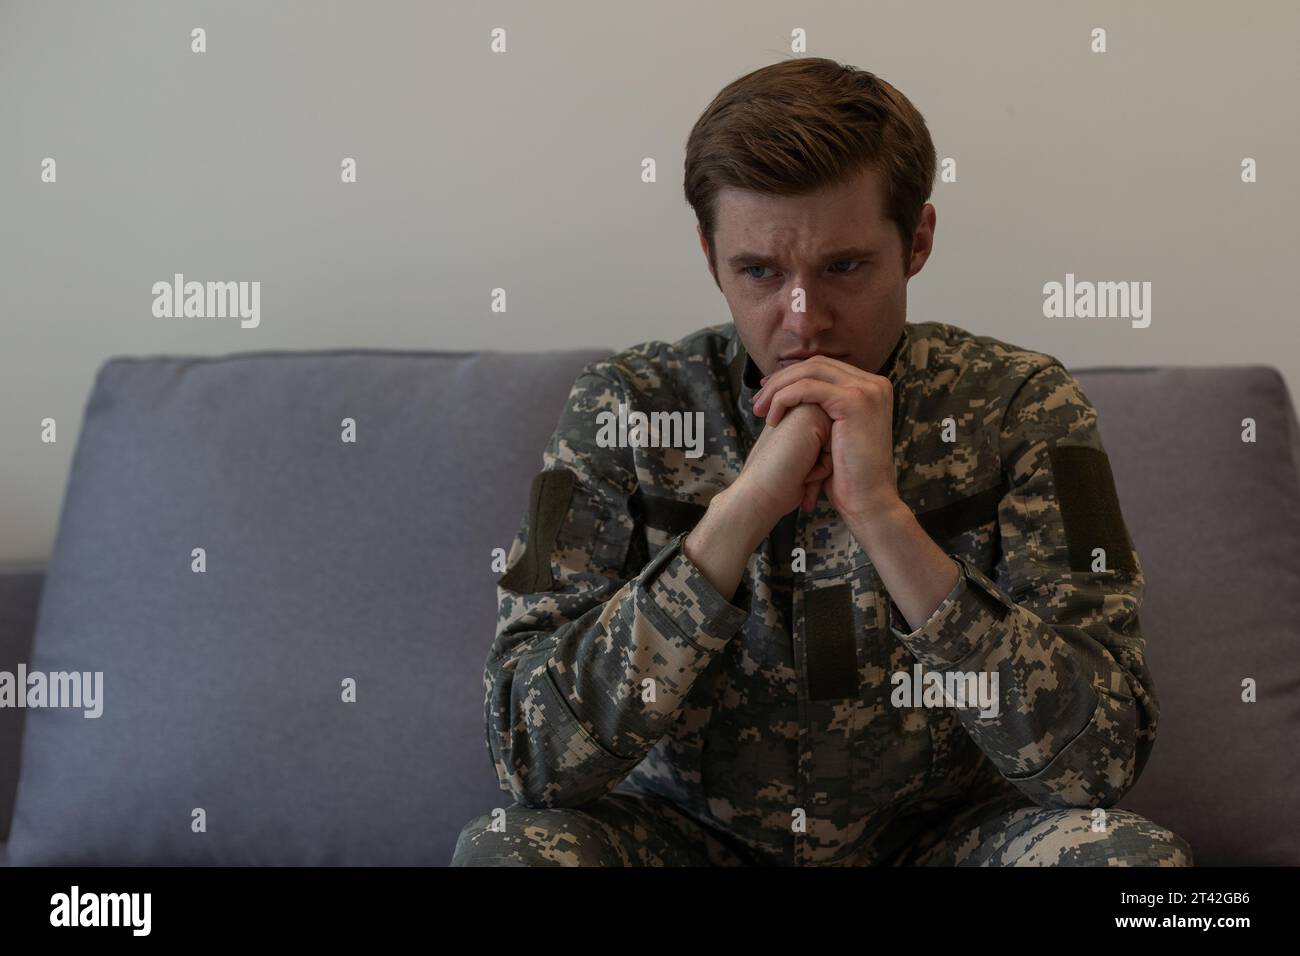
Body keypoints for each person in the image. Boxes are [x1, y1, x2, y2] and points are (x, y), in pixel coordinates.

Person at [450, 57, 1192, 866]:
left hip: (941, 847)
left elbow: (1100, 760)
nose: (802, 321)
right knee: (508, 850)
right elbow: (529, 755)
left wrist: (884, 516)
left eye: (843, 267)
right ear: (709, 258)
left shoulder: (1021, 406)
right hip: (688, 846)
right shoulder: (626, 409)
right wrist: (736, 518)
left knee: (1126, 861)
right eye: (760, 272)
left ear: (917, 243)